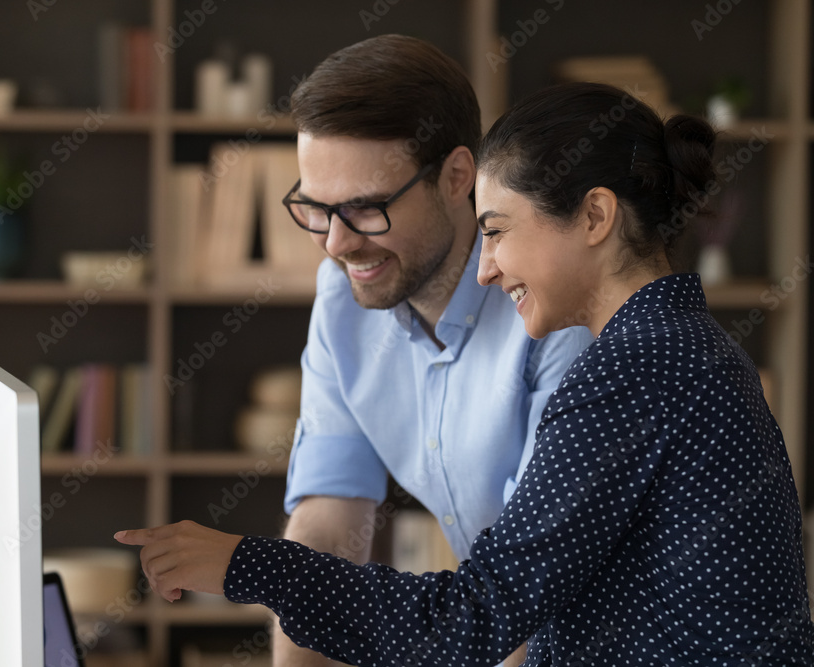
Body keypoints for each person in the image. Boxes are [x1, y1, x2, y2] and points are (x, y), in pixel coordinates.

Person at [116, 81, 814, 665]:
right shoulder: (681, 348)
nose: (485, 267)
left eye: (500, 230)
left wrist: (247, 565)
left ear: (596, 216)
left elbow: (473, 618)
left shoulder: (637, 368)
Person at [141, 35, 584, 667]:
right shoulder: (346, 298)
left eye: (366, 209)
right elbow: (326, 527)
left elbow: (521, 596)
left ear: (458, 177)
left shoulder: (552, 318)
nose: (336, 245)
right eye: (316, 209)